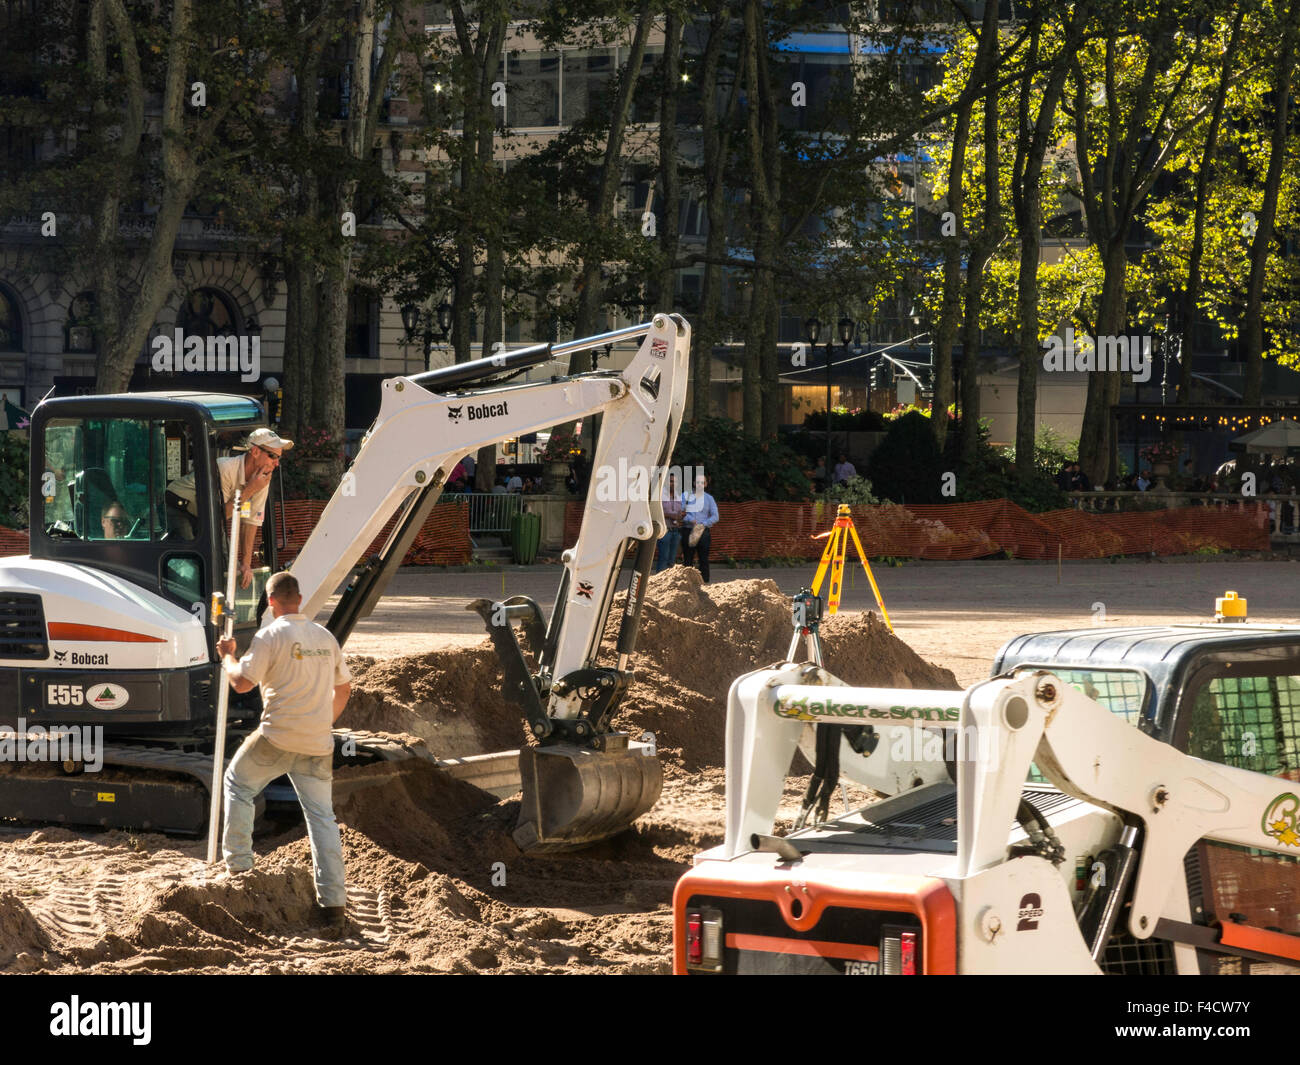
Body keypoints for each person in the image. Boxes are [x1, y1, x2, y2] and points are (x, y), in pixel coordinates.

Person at [216, 571, 352, 931]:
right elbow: (344, 689)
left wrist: (228, 657)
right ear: (300, 599)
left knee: (238, 783)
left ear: (270, 601)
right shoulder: (325, 638)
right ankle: (333, 903)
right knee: (322, 817)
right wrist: (323, 721)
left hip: (277, 737)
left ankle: (240, 868)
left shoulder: (270, 635)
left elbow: (242, 683)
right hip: (317, 743)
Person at [168, 427, 293, 588]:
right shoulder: (225, 468)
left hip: (205, 516)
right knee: (194, 566)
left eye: (279, 458)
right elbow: (218, 516)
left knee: (231, 566)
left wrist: (246, 564)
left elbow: (250, 522)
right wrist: (249, 490)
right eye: (272, 456)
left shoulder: (262, 480)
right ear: (254, 452)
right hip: (178, 507)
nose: (276, 463)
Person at [682, 473, 719, 583]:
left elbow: (715, 516)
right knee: (688, 558)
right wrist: (690, 519)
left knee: (704, 558)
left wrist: (703, 524)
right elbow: (681, 513)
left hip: (703, 531)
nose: (700, 484)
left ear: (706, 484)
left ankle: (705, 582)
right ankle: (686, 582)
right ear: (694, 483)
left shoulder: (709, 498)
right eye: (698, 482)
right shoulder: (685, 495)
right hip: (688, 530)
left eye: (702, 482)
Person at [654, 470, 686, 573]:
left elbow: (680, 513)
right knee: (663, 559)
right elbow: (655, 512)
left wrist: (681, 516)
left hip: (676, 531)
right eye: (671, 481)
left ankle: (668, 585)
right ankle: (659, 584)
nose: (673, 484)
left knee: (672, 560)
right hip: (665, 531)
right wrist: (670, 515)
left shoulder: (679, 496)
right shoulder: (660, 495)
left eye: (675, 482)